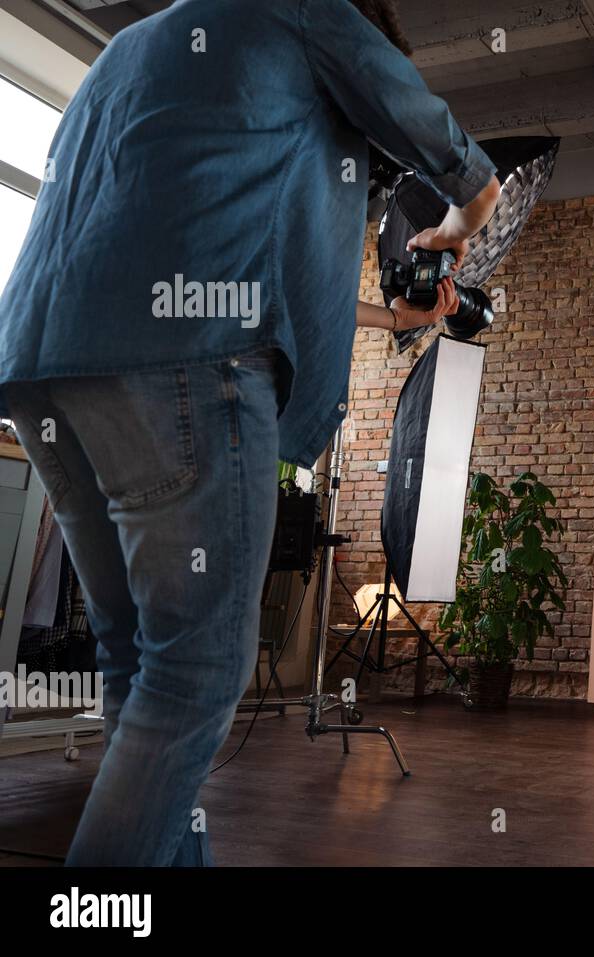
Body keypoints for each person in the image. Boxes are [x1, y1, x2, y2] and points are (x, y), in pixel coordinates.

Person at [0, 0, 500, 866]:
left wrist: (395, 317)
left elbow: (234, 265)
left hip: (46, 368)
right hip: (186, 369)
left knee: (139, 660)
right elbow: (439, 138)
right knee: (195, 673)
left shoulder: (133, 51)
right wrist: (467, 211)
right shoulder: (304, 10)